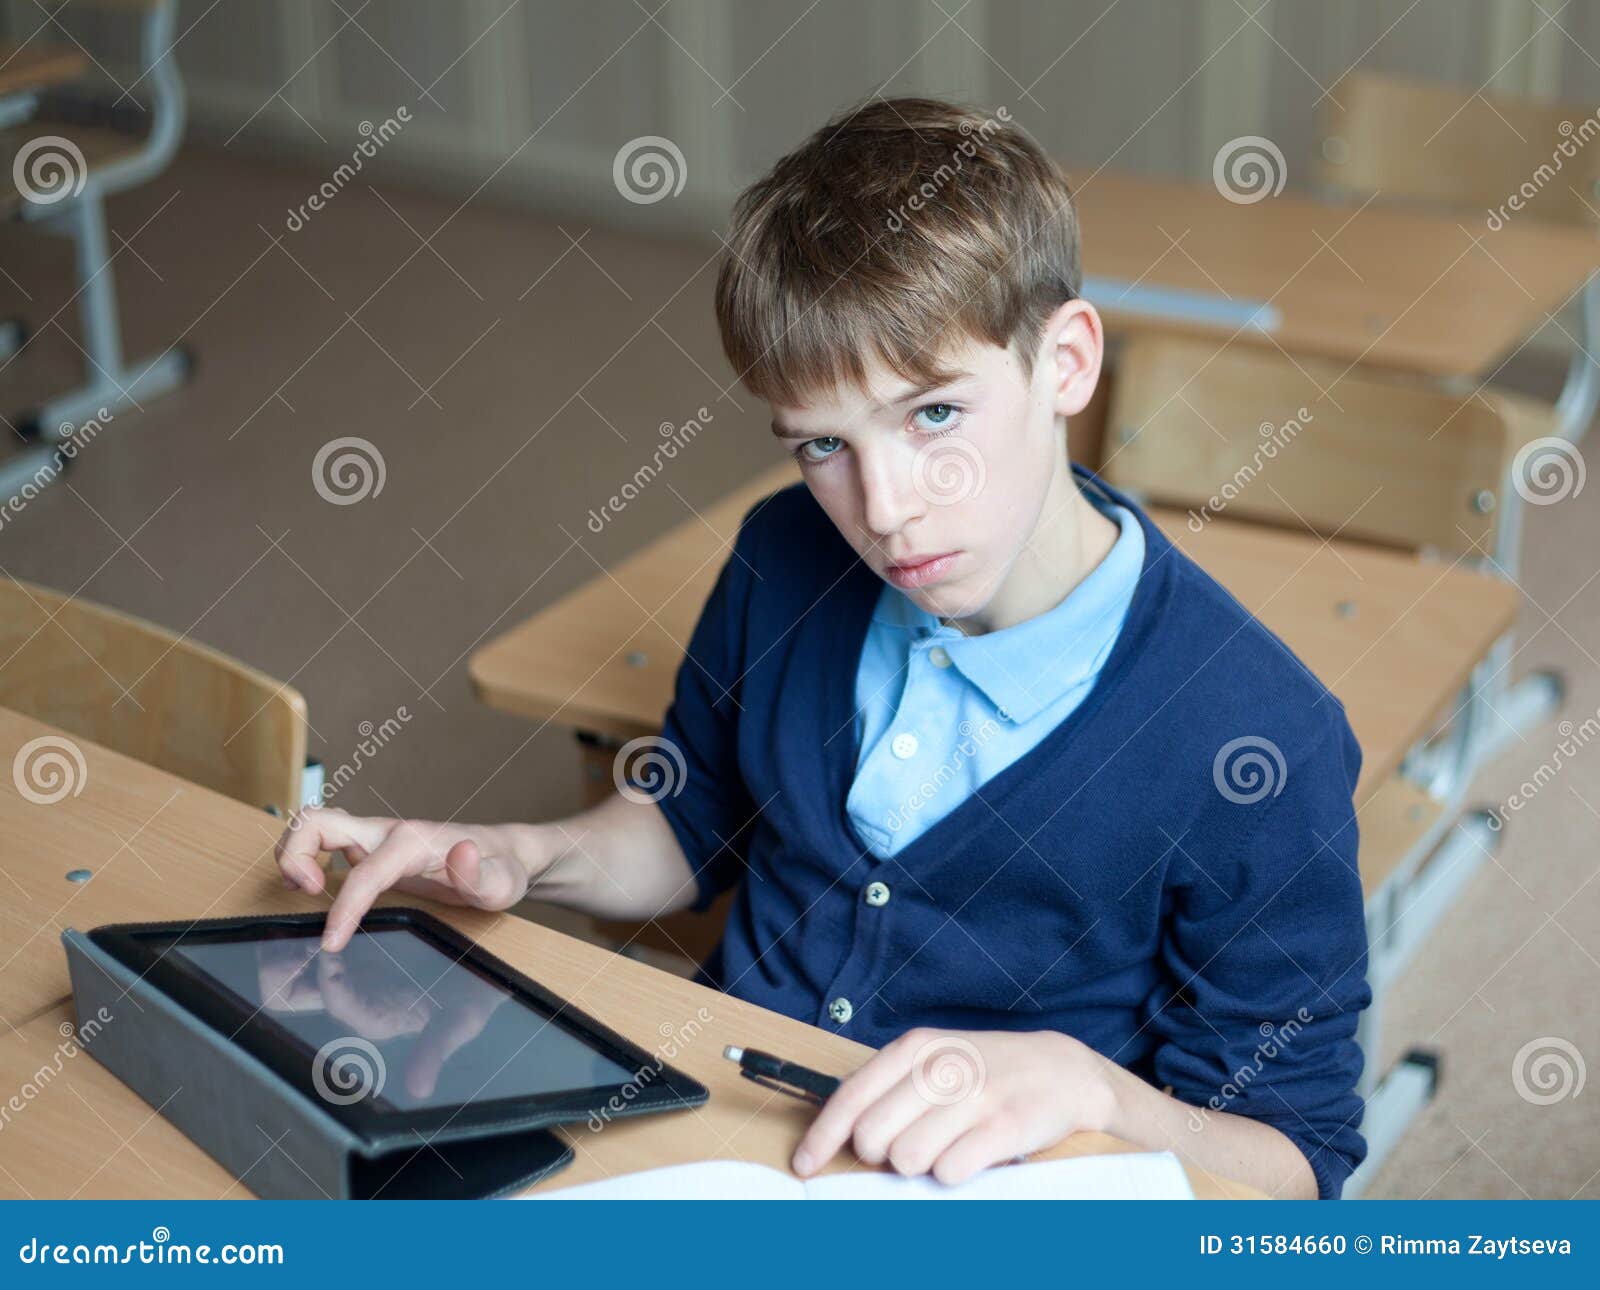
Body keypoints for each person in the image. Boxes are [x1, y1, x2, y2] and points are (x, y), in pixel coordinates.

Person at [276, 97, 1370, 1199]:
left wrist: (1095, 1092)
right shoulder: (780, 554)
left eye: (933, 414)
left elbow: (1295, 1160)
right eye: (822, 446)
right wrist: (522, 856)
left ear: (1066, 363)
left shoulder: (1256, 731)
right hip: (707, 1136)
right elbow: (692, 814)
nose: (884, 509)